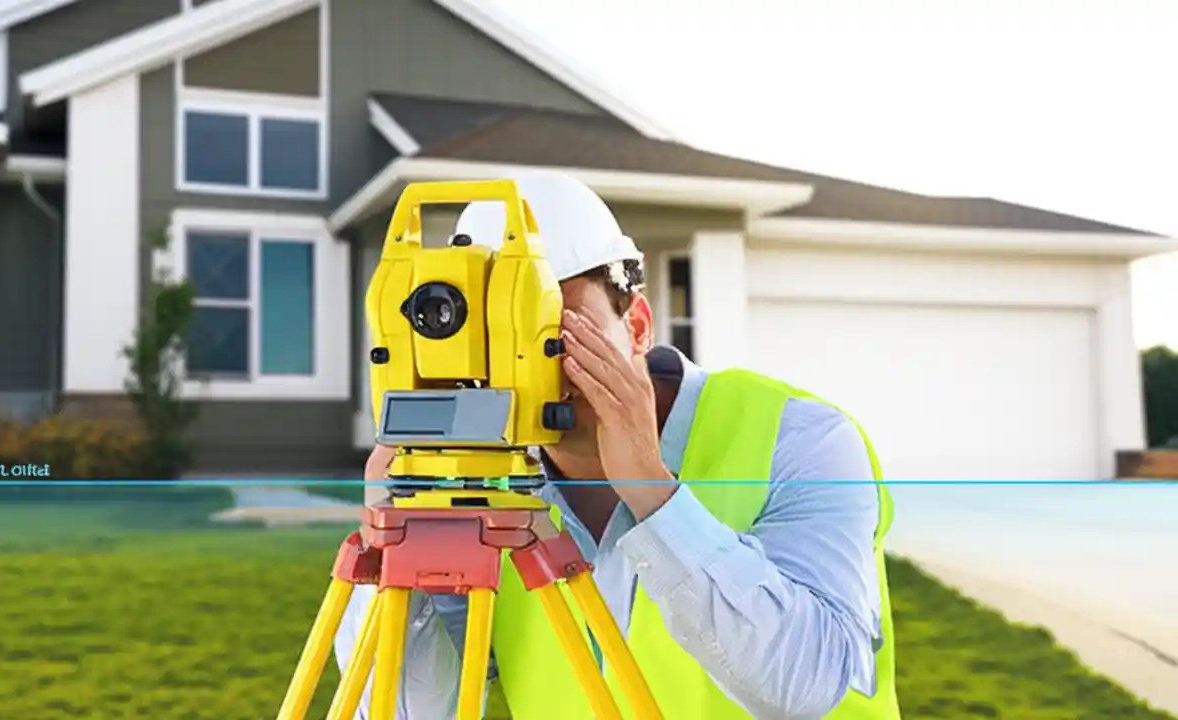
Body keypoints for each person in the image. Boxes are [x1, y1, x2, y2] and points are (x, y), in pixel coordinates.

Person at [335, 171, 899, 720]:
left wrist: (655, 497)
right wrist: (397, 551)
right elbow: (407, 712)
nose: (526, 370)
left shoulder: (800, 440)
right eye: (496, 338)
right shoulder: (485, 488)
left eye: (553, 333)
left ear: (637, 325)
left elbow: (806, 687)